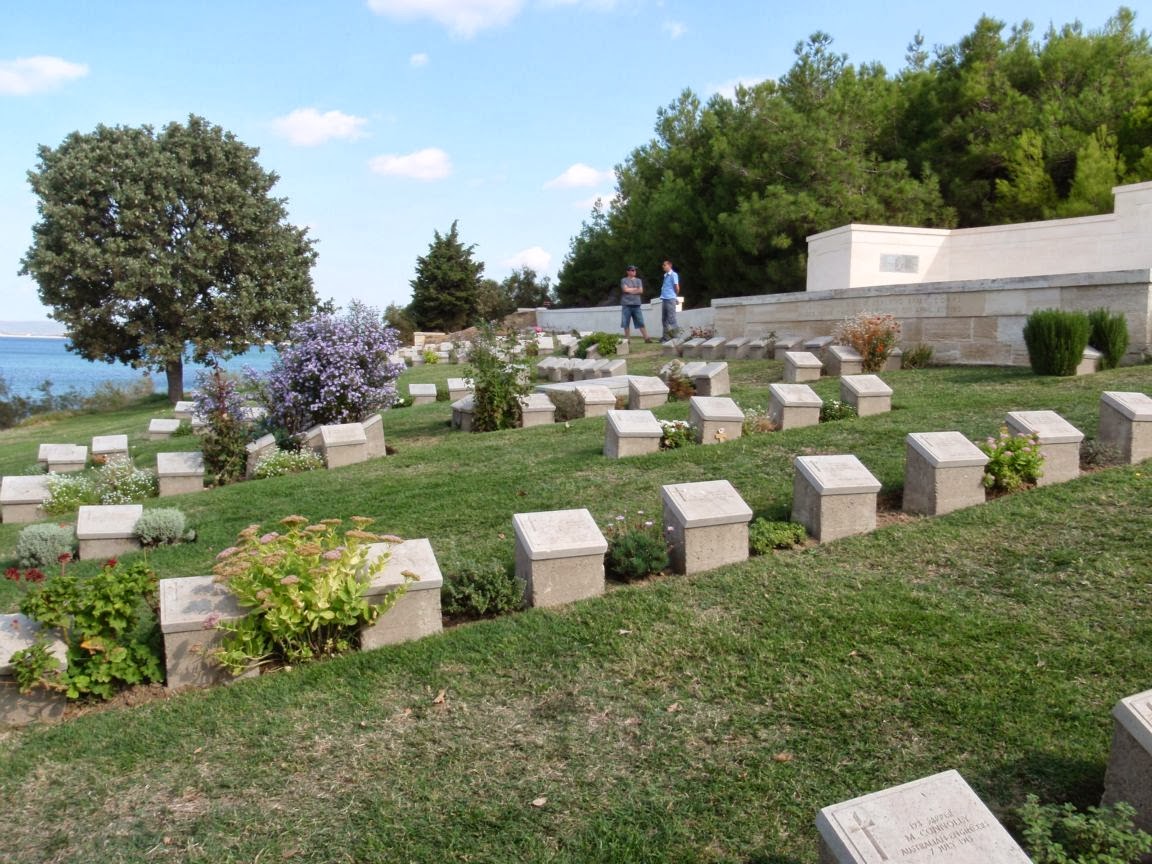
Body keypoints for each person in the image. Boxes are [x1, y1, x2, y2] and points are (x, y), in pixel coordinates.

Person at [619, 264, 651, 342]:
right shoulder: (624, 280)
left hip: (636, 304)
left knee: (640, 321)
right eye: (632, 270)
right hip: (626, 304)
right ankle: (627, 340)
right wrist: (635, 289)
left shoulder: (638, 280)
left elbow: (641, 291)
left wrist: (630, 290)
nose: (634, 271)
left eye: (635, 270)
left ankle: (646, 338)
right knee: (626, 323)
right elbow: (625, 290)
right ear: (628, 272)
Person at [659, 258, 680, 338]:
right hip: (664, 299)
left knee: (672, 319)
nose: (663, 266)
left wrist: (674, 296)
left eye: (664, 265)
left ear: (670, 265)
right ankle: (665, 337)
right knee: (664, 319)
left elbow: (677, 287)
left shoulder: (673, 275)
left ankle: (677, 337)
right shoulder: (665, 275)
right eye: (663, 265)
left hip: (670, 299)